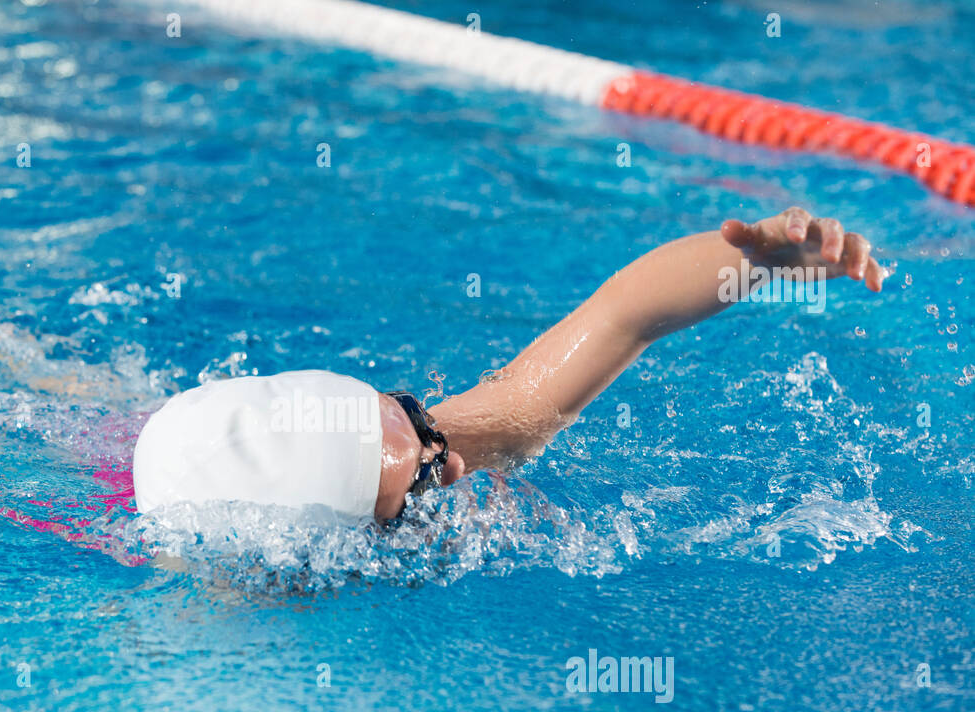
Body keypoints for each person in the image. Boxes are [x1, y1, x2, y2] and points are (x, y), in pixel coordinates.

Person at [132, 206, 886, 525]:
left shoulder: (429, 444)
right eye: (425, 482)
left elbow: (623, 316)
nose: (457, 463)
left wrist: (757, 263)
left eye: (416, 418)